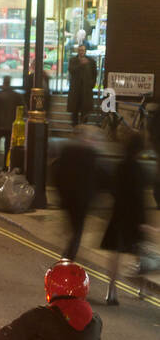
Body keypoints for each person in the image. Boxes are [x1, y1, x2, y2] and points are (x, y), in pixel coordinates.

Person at [101, 132, 145, 305]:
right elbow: (139, 197)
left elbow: (113, 189)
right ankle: (141, 289)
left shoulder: (119, 166)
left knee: (115, 254)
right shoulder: (139, 169)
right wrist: (144, 222)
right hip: (134, 216)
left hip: (118, 213)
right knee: (139, 254)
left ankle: (111, 291)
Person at [52, 127, 99, 261]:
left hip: (68, 197)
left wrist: (60, 194)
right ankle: (68, 257)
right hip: (82, 200)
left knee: (72, 228)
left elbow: (57, 174)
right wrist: (93, 197)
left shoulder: (66, 151)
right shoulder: (91, 154)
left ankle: (67, 254)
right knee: (77, 230)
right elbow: (94, 178)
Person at [0, 77, 22, 168]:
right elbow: (22, 108)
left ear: (3, 82)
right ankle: (6, 164)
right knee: (8, 146)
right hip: (11, 124)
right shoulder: (16, 95)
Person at [67, 44, 97, 127]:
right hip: (75, 90)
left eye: (83, 50)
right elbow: (71, 70)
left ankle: (84, 128)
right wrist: (81, 64)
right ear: (77, 51)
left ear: (85, 51)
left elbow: (94, 74)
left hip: (86, 90)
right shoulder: (73, 60)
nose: (81, 52)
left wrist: (92, 84)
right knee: (74, 111)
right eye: (80, 50)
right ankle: (74, 128)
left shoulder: (91, 61)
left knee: (85, 111)